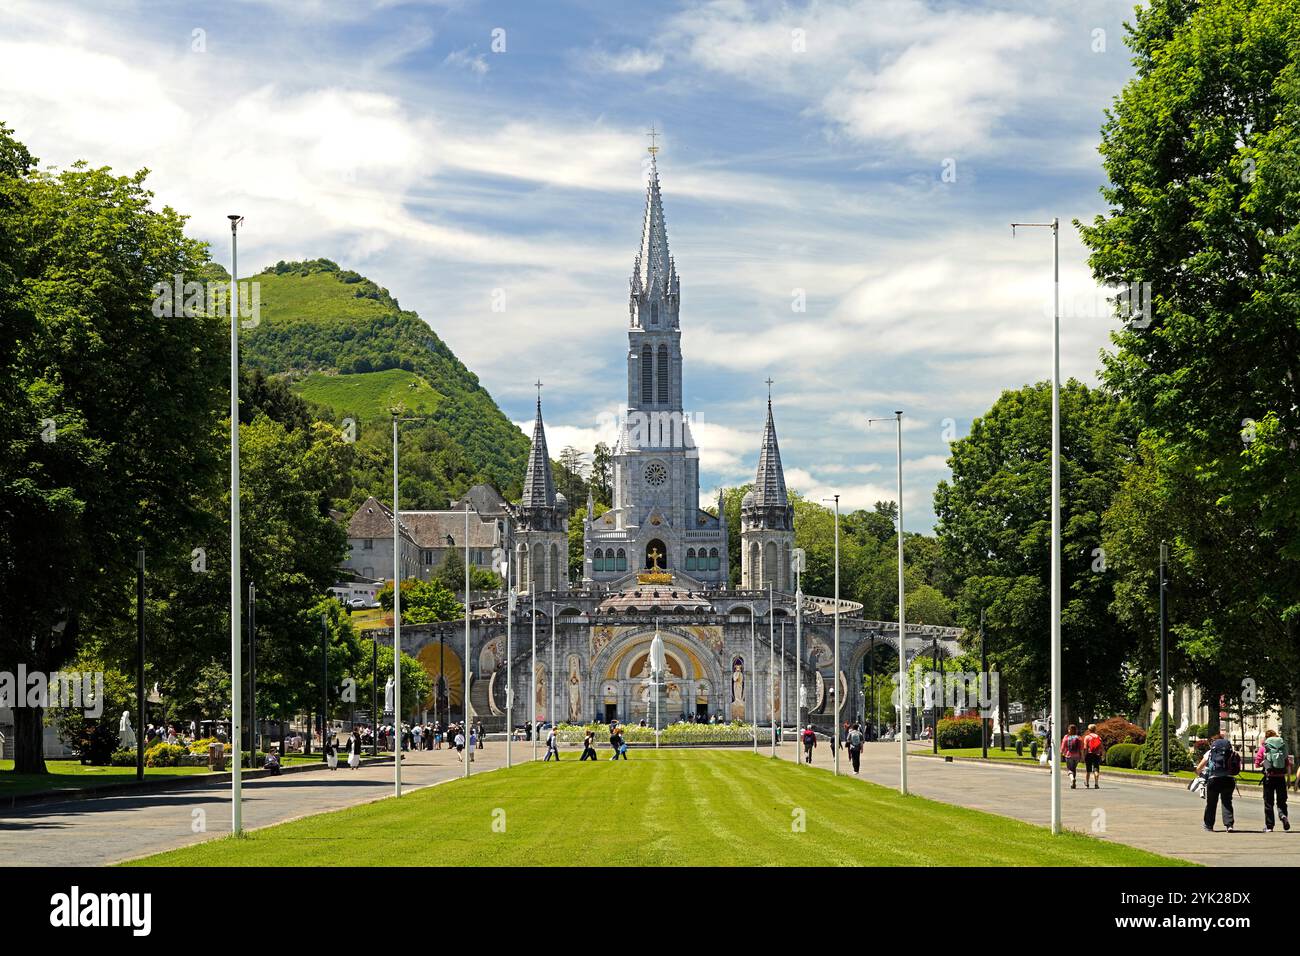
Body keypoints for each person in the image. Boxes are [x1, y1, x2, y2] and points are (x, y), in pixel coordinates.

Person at [1196, 731, 1238, 832]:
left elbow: (1199, 767)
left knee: (1211, 803)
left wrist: (1199, 774)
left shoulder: (1210, 752)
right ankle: (1229, 824)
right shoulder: (1229, 751)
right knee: (1227, 802)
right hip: (1228, 779)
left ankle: (1209, 825)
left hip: (1214, 779)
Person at [1254, 728, 1292, 832]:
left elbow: (1257, 764)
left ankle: (1269, 826)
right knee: (1282, 801)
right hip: (1281, 778)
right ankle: (1283, 816)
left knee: (1268, 802)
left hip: (1269, 777)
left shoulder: (1264, 748)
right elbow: (1287, 764)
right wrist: (1288, 779)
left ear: (1266, 737)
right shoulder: (1282, 747)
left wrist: (1263, 763)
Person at [1060, 724, 1084, 789]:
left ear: (1069, 730)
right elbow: (1081, 748)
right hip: (1077, 756)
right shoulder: (1079, 738)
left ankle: (1072, 779)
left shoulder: (1066, 737)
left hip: (1069, 755)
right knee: (1074, 769)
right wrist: (1082, 757)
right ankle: (1073, 783)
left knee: (1069, 769)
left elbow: (1062, 747)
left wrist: (1061, 754)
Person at [1082, 723, 1105, 789]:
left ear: (1089, 729)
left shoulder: (1087, 737)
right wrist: (1103, 755)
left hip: (1089, 754)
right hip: (1096, 755)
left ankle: (1087, 783)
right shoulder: (1098, 737)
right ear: (1095, 729)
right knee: (1096, 769)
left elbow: (1085, 747)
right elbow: (1102, 748)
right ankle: (1096, 784)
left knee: (1088, 770)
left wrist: (1084, 756)